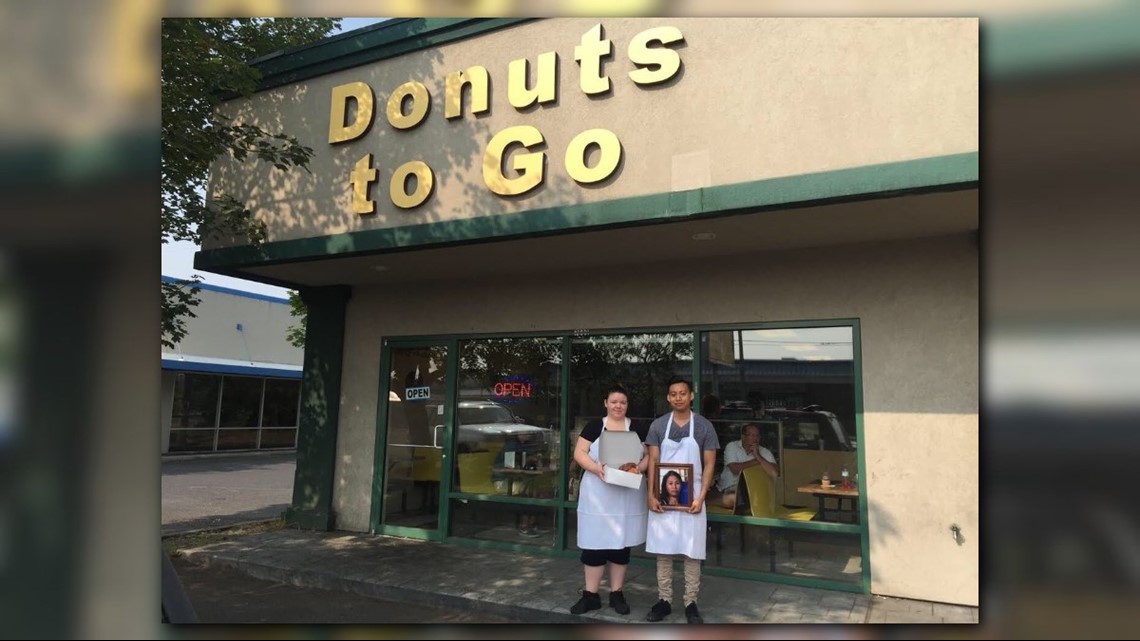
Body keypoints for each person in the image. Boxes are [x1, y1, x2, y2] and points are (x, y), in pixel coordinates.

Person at [645, 377, 720, 624]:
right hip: (663, 499)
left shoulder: (704, 426)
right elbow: (654, 462)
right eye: (673, 394)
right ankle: (664, 600)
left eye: (683, 393)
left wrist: (701, 496)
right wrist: (651, 494)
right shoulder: (658, 425)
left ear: (691, 396)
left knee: (692, 552)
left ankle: (691, 602)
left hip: (693, 499)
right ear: (668, 398)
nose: (678, 397)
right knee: (663, 552)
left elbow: (709, 464)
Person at [569, 384, 649, 616]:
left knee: (620, 545)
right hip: (598, 493)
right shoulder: (595, 426)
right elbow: (579, 453)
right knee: (594, 543)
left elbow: (651, 455)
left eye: (622, 402)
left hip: (626, 494)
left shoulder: (637, 427)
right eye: (614, 401)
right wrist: (596, 468)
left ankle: (617, 594)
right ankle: (590, 596)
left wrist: (638, 469)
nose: (618, 406)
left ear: (627, 405)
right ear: (605, 403)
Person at [714, 423, 778, 509]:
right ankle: (705, 503)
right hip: (729, 489)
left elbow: (774, 473)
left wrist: (758, 456)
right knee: (735, 499)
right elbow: (735, 469)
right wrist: (757, 461)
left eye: (757, 436)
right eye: (751, 435)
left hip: (752, 492)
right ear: (743, 436)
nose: (755, 438)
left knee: (748, 499)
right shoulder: (732, 446)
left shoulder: (764, 452)